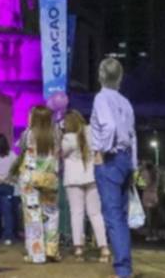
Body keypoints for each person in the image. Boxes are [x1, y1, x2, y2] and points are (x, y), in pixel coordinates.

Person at [91, 58, 137, 278]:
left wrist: (102, 150)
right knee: (121, 216)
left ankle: (122, 270)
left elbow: (108, 126)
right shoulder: (125, 102)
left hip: (111, 159)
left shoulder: (101, 98)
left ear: (101, 75)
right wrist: (133, 165)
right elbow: (133, 135)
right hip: (126, 159)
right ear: (120, 77)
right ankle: (125, 267)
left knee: (113, 216)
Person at [62, 111, 109, 262]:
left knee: (77, 213)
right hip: (91, 177)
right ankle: (104, 248)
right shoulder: (92, 133)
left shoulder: (68, 138)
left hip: (74, 179)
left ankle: (79, 249)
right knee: (95, 214)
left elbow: (60, 154)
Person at [17, 105, 61, 264]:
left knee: (33, 216)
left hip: (30, 178)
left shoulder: (28, 134)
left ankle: (37, 254)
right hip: (50, 178)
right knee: (51, 214)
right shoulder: (57, 134)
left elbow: (21, 149)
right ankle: (51, 251)